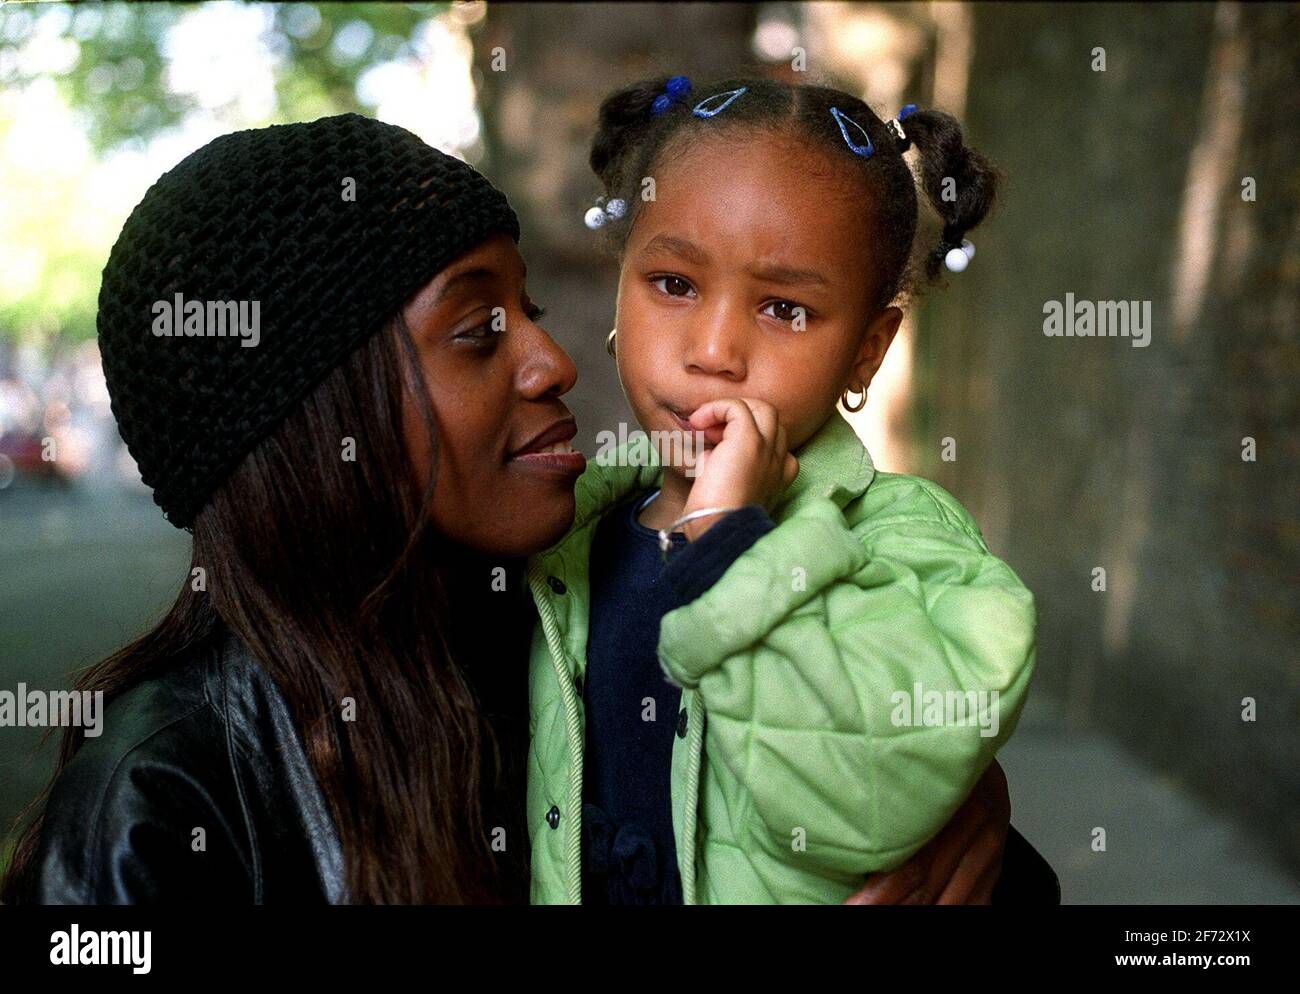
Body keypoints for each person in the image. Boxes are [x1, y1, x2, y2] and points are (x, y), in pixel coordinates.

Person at [2, 112, 1026, 905]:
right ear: (320, 417)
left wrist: (951, 802)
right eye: (478, 330)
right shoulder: (157, 801)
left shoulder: (558, 619)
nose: (555, 360)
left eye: (526, 309)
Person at [524, 75, 1047, 904]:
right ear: (621, 283)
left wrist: (733, 543)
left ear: (868, 352)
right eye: (674, 284)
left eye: (784, 309)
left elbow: (874, 801)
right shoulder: (559, 544)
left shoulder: (911, 546)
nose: (715, 349)